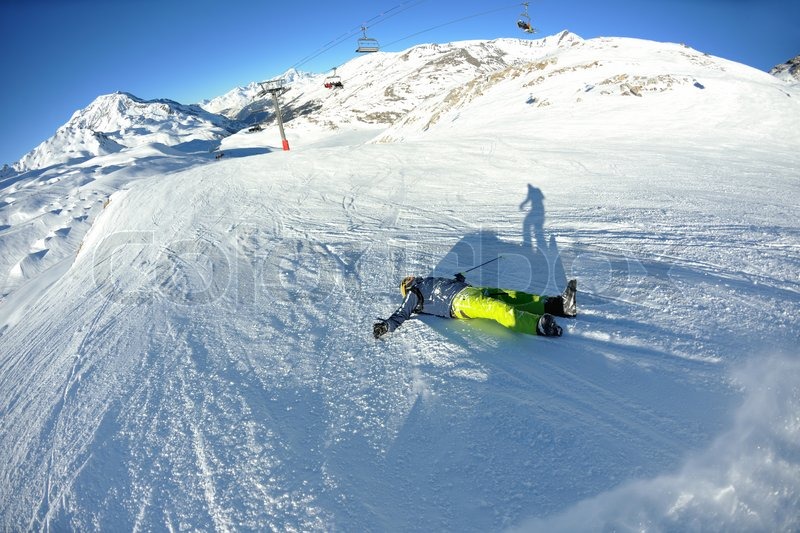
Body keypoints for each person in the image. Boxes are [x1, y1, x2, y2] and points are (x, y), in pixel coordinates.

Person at [373, 275, 577, 339]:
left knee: (512, 296)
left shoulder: (427, 280)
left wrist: (457, 279)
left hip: (469, 290)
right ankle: (537, 326)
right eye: (406, 281)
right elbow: (401, 314)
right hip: (458, 303)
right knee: (495, 307)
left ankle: (558, 305)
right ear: (406, 287)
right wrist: (386, 326)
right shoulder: (413, 294)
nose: (410, 278)